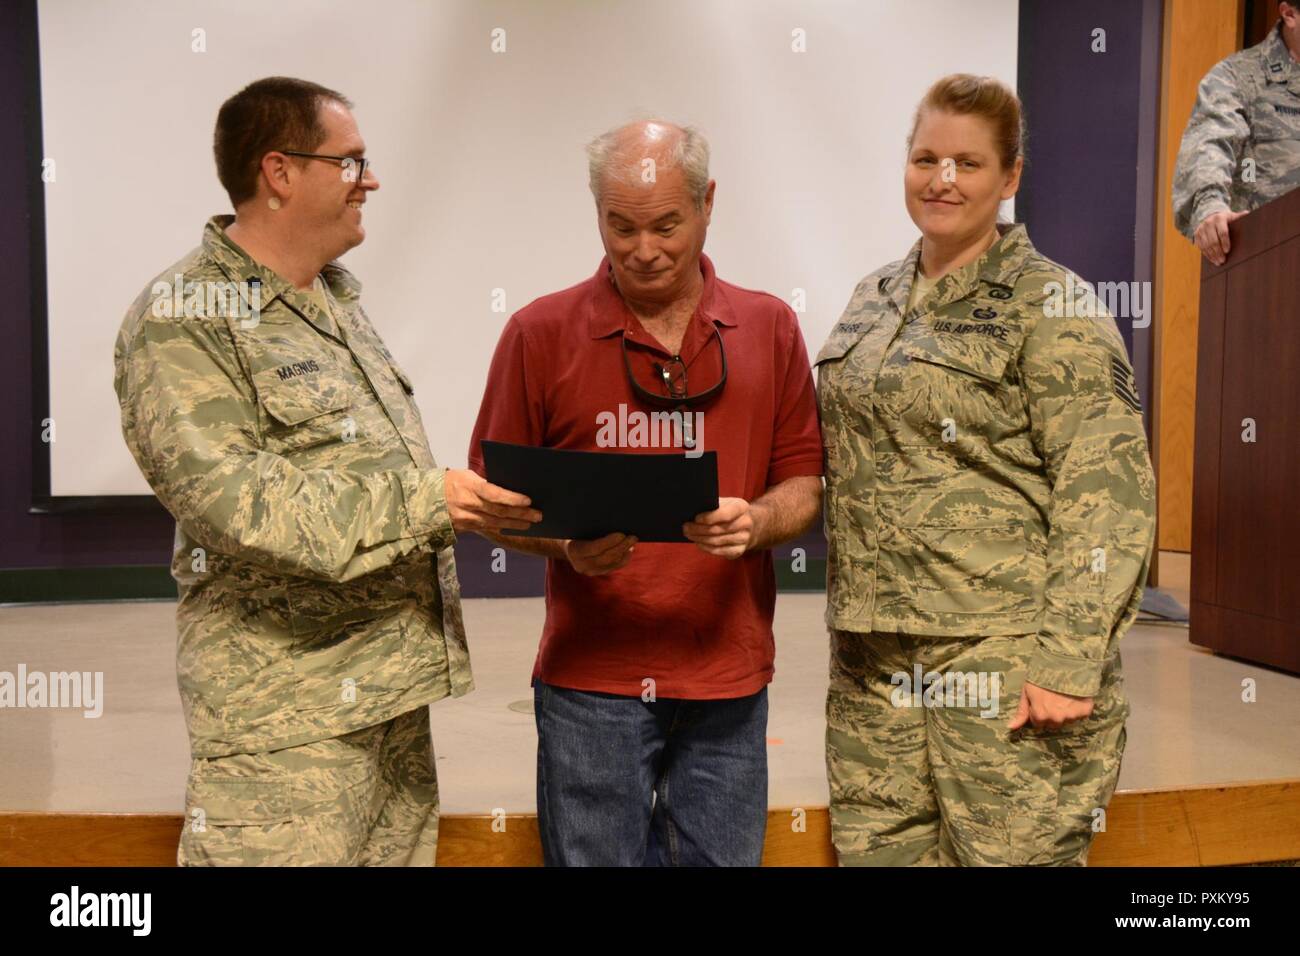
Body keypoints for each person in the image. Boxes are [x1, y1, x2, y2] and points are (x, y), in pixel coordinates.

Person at [113, 77, 538, 866]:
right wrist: (430, 498)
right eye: (350, 162)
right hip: (285, 736)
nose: (369, 180)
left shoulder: (333, 301)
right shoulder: (185, 316)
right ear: (279, 172)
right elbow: (234, 503)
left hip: (390, 710)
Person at [815, 74, 1156, 866]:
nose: (942, 180)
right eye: (925, 157)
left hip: (1001, 657)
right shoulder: (873, 298)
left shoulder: (1052, 307)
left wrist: (1069, 660)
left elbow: (1105, 491)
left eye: (968, 164)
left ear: (1009, 178)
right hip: (874, 663)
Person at [466, 119, 824, 866]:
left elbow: (804, 483)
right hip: (590, 683)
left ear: (707, 204)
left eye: (666, 224)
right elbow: (490, 502)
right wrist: (564, 546)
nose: (643, 249)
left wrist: (756, 522)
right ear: (595, 210)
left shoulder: (769, 327)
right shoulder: (539, 332)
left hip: (726, 679)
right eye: (619, 226)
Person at [1173, 0, 1300, 265]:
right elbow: (1209, 143)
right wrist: (1210, 208)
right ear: (1290, 14)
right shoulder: (1237, 77)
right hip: (1270, 270)